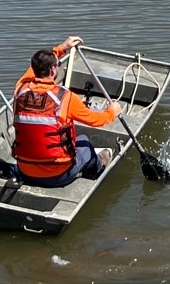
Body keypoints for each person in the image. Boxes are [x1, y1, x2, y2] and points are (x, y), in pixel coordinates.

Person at [11, 35, 121, 186]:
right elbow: (95, 120)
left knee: (79, 141)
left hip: (25, 170)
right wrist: (112, 112)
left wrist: (61, 48)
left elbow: (31, 71)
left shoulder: (19, 89)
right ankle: (97, 168)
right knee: (86, 144)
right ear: (53, 70)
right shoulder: (65, 98)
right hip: (58, 175)